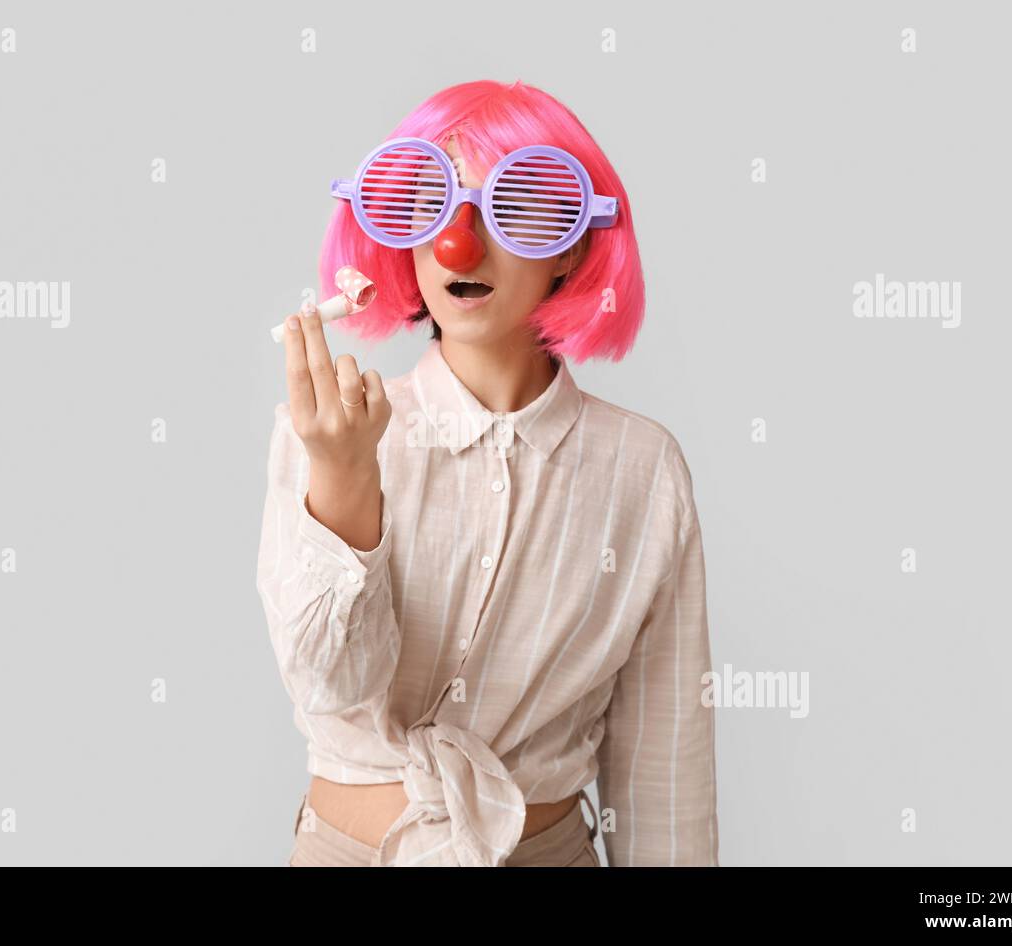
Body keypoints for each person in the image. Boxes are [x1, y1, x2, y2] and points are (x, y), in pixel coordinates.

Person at [257, 79, 717, 867]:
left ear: (574, 240)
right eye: (430, 198)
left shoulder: (642, 470)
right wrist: (342, 477)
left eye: (515, 201)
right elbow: (330, 686)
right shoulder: (336, 432)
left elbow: (664, 773)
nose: (458, 242)